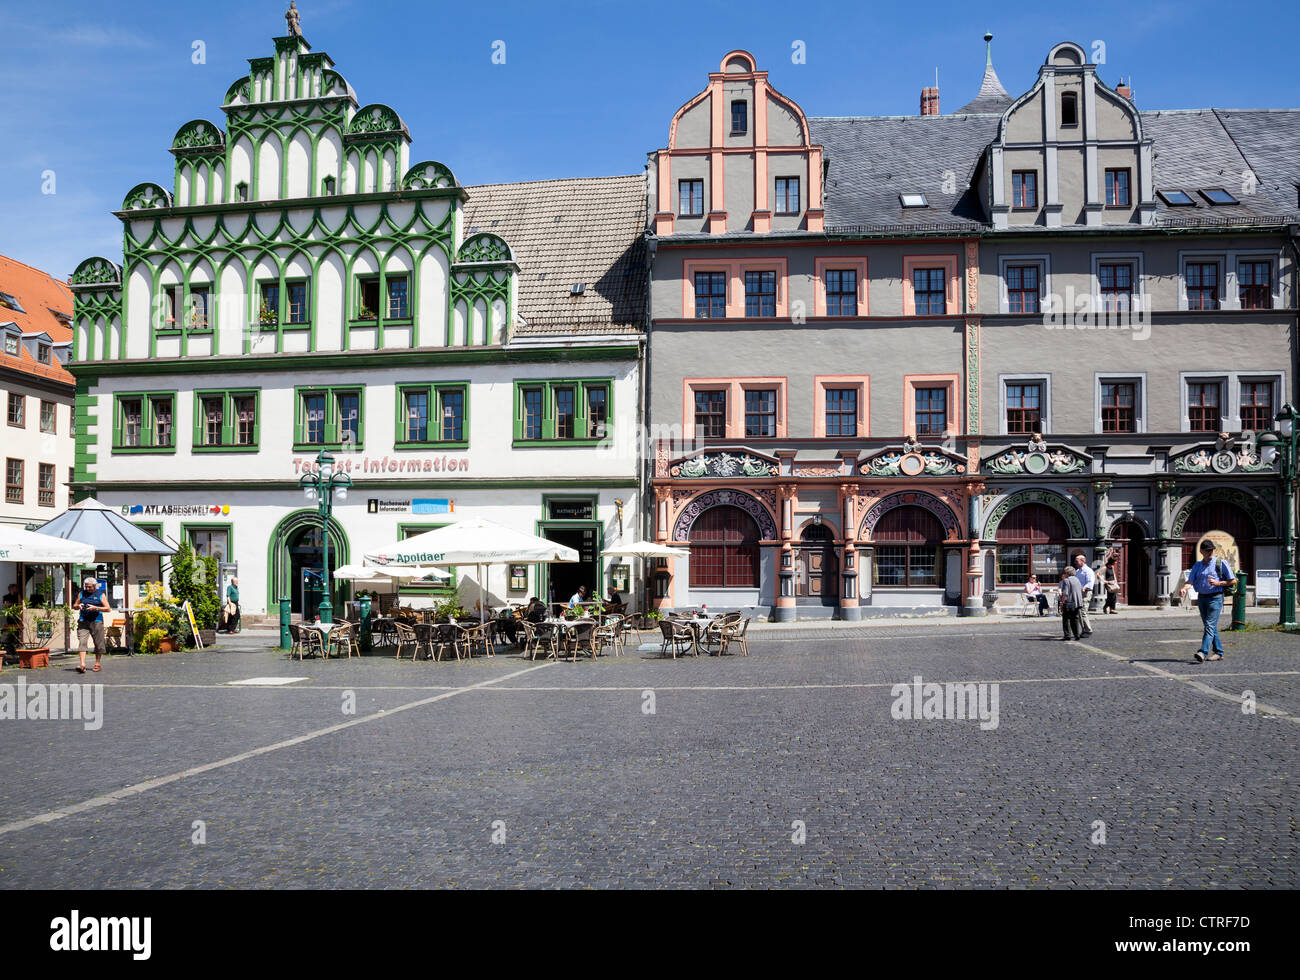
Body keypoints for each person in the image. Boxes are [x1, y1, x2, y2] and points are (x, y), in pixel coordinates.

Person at [1180, 541, 1236, 662]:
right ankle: (1219, 652)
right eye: (1207, 550)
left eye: (1211, 549)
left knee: (1210, 625)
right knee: (1210, 626)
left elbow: (1233, 581)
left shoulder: (1220, 563)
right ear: (1201, 551)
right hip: (1202, 598)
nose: (1210, 552)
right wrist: (1184, 588)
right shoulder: (1197, 565)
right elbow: (1190, 581)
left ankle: (1203, 652)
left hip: (1215, 597)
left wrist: (1219, 583)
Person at [72, 576, 111, 674]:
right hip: (83, 621)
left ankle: (97, 664)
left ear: (94, 586)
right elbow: (74, 606)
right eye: (86, 586)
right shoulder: (81, 594)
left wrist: (95, 608)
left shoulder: (100, 594)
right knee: (82, 642)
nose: (88, 589)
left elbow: (108, 609)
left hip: (96, 621)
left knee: (98, 643)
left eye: (89, 587)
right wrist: (78, 606)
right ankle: (82, 665)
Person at [1073, 554, 1096, 637]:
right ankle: (1083, 629)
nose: (1075, 562)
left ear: (1082, 561)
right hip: (1079, 593)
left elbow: (1090, 582)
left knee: (1083, 611)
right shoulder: (1078, 571)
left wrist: (1084, 588)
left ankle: (1088, 630)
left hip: (1085, 592)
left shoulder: (1088, 571)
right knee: (1079, 612)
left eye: (1077, 561)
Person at [1058, 567, 1084, 640]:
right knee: (1075, 619)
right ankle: (1077, 634)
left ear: (1067, 573)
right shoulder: (1077, 580)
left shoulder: (1066, 581)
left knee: (1066, 619)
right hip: (1077, 602)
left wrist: (1062, 603)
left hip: (1069, 602)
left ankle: (1067, 635)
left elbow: (1065, 594)